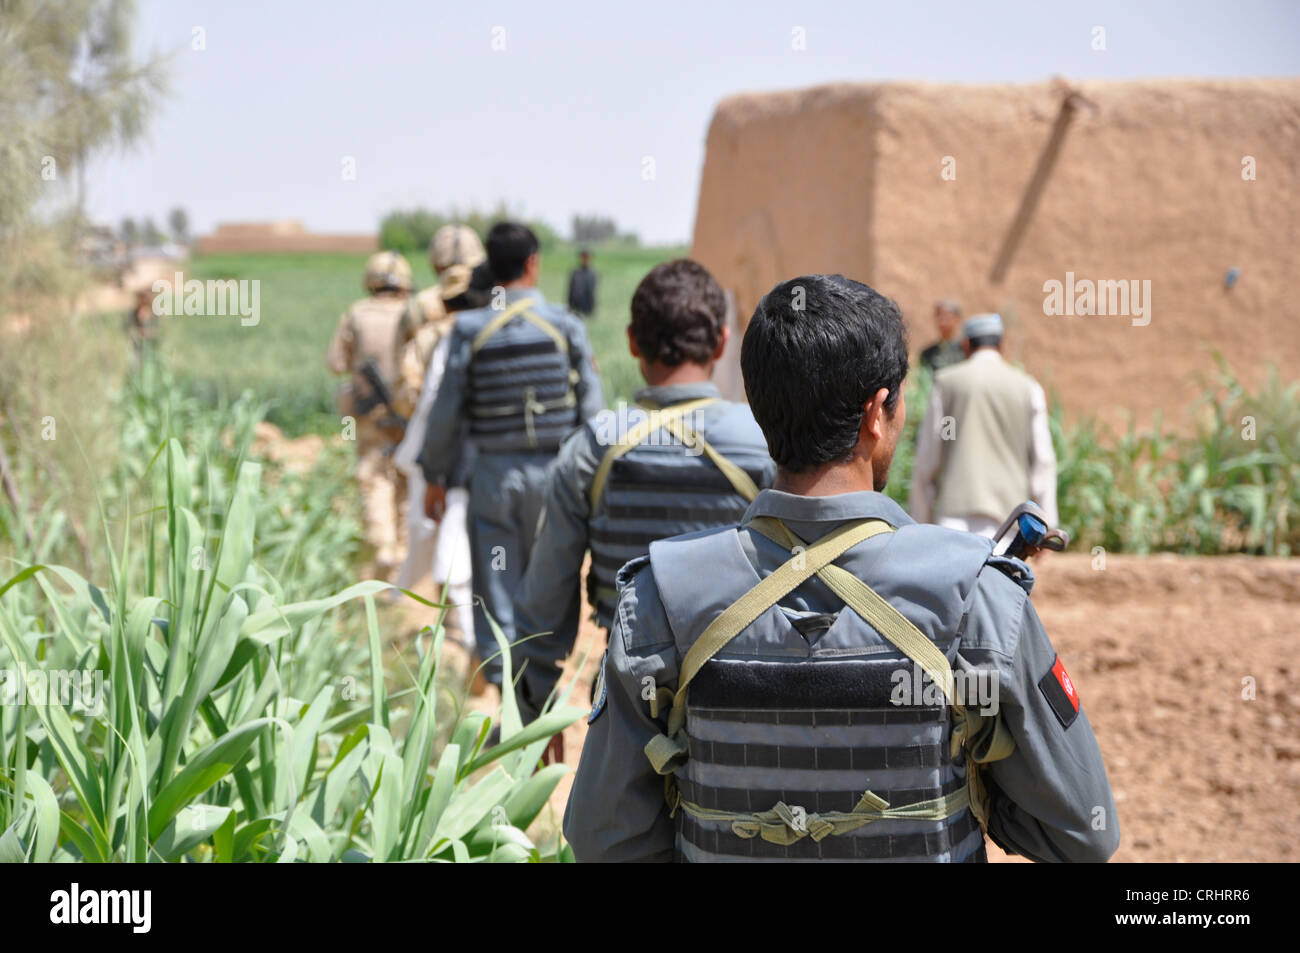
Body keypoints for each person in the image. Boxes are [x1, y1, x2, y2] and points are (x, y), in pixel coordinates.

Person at [564, 274, 1118, 863]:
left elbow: (603, 836)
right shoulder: (979, 596)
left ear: (758, 405)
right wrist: (975, 791)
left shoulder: (658, 597)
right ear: (878, 412)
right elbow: (1083, 832)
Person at [512, 259, 776, 724]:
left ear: (633, 341)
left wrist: (534, 708)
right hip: (743, 695)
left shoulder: (592, 447)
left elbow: (547, 594)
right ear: (720, 341)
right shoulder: (766, 441)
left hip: (626, 697)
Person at [418, 222, 604, 694]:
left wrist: (435, 476)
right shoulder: (565, 326)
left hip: (493, 479)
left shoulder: (469, 330)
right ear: (533, 264)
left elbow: (445, 414)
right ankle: (543, 688)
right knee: (550, 584)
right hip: (557, 480)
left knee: (497, 587)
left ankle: (510, 699)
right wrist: (595, 486)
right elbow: (593, 414)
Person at [392, 249, 493, 664]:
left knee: (441, 535)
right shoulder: (499, 329)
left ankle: (463, 630)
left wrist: (428, 462)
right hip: (490, 458)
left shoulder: (442, 336)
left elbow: (427, 400)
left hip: (447, 458)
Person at [910, 312, 1058, 539]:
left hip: (953, 520)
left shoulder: (947, 383)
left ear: (966, 345)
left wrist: (920, 522)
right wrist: (1046, 524)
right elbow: (1043, 461)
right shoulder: (1027, 388)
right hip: (1008, 521)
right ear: (1002, 344)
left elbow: (928, 457)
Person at [326, 251, 413, 577]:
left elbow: (335, 363)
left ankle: (383, 545)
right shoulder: (412, 312)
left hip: (368, 416)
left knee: (373, 476)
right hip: (409, 414)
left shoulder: (356, 314)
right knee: (404, 479)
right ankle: (404, 555)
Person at [918, 297, 964, 372]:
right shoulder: (927, 353)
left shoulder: (965, 349)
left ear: (957, 318)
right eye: (938, 315)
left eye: (946, 315)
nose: (941, 319)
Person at [567, 249, 597, 317]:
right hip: (575, 307)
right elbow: (570, 291)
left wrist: (591, 309)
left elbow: (592, 293)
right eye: (584, 257)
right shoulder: (575, 272)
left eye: (587, 257)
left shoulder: (593, 274)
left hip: (586, 307)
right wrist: (570, 306)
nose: (585, 259)